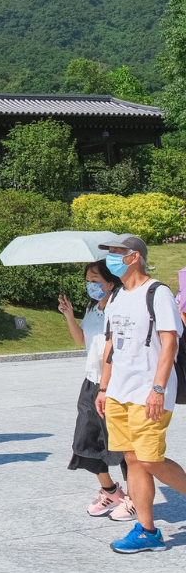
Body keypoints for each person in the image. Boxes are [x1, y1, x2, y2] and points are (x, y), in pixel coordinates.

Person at [95, 235, 186, 553]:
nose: (111, 259)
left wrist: (158, 388)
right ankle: (147, 531)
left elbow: (169, 342)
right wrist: (104, 388)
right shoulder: (117, 296)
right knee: (133, 459)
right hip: (119, 392)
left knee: (149, 458)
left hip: (149, 392)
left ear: (134, 257)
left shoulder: (156, 293)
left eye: (117, 253)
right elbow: (111, 346)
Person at [58, 260, 134, 519]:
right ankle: (111, 491)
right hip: (91, 383)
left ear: (111, 283)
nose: (90, 284)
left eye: (95, 279)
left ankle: (135, 498)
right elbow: (81, 340)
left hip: (114, 385)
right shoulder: (93, 308)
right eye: (88, 280)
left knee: (122, 446)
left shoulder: (119, 308)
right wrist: (68, 314)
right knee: (85, 441)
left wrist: (106, 386)